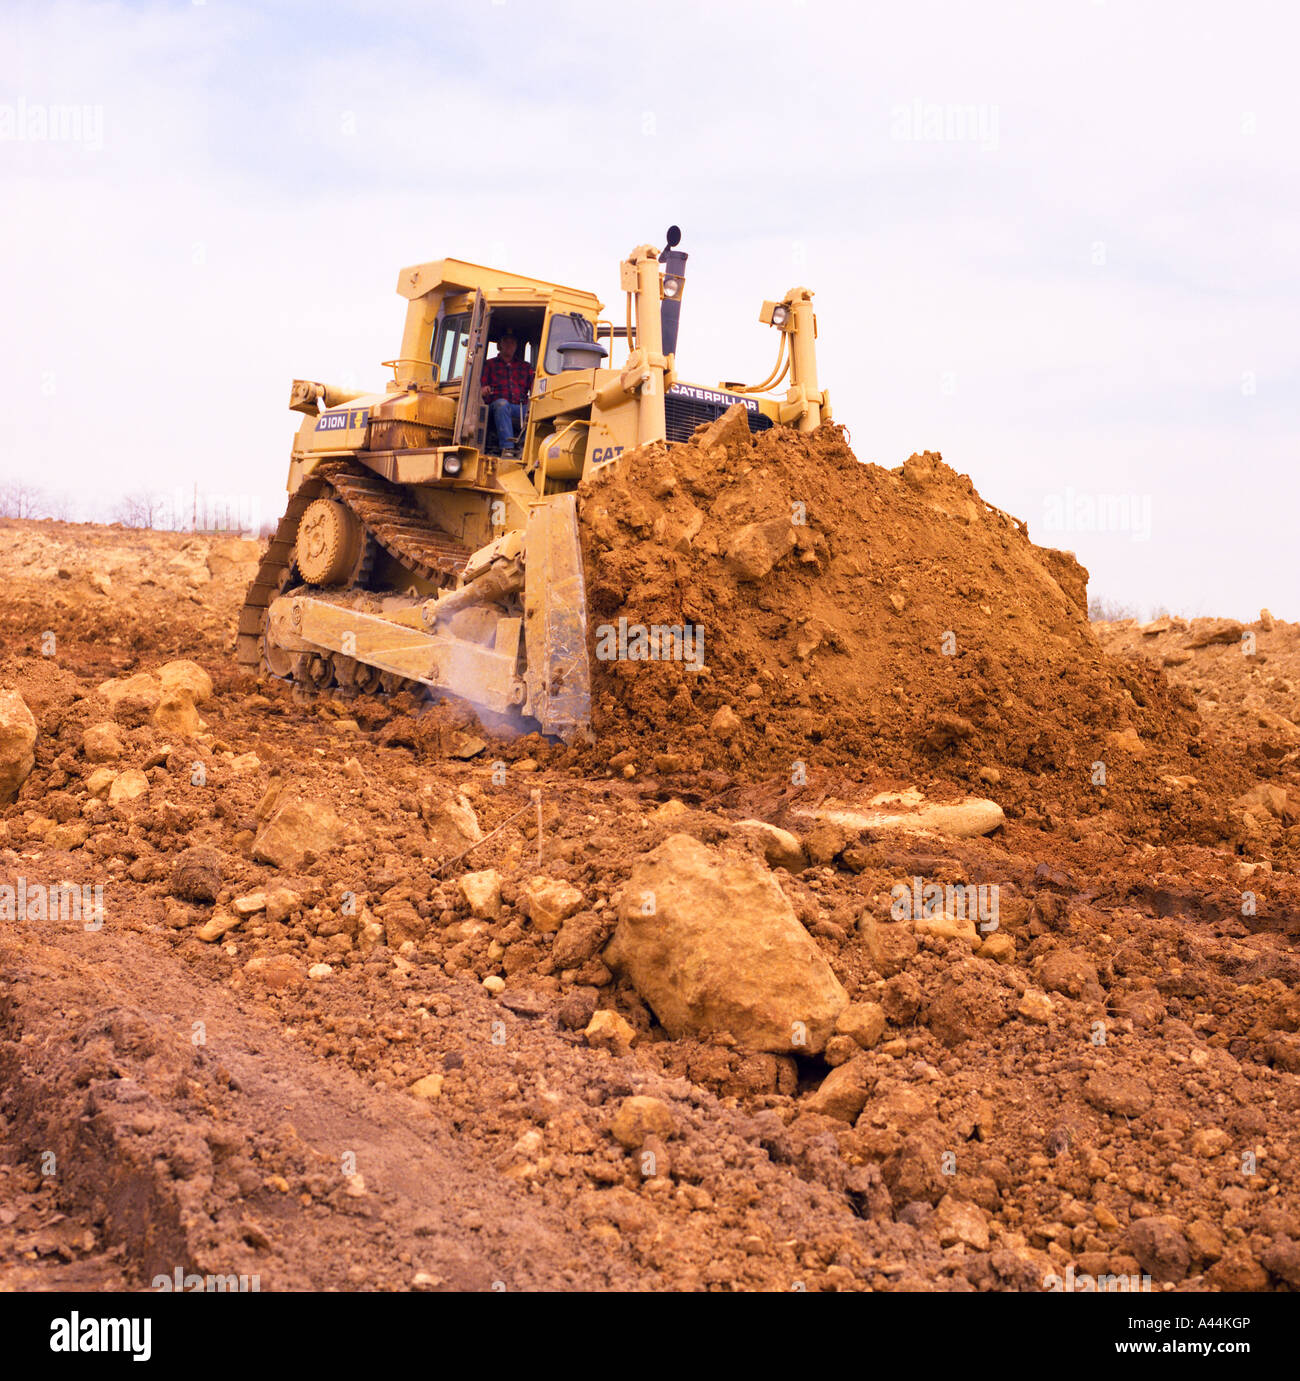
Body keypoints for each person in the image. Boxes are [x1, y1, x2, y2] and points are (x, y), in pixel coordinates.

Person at [480, 330, 532, 456]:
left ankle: (524, 446)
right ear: (499, 345)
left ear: (516, 346)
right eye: (506, 342)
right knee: (502, 405)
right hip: (496, 406)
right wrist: (483, 389)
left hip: (519, 407)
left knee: (535, 410)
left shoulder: (525, 367)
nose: (509, 345)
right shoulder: (489, 364)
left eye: (512, 343)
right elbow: (481, 386)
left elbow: (534, 386)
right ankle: (508, 448)